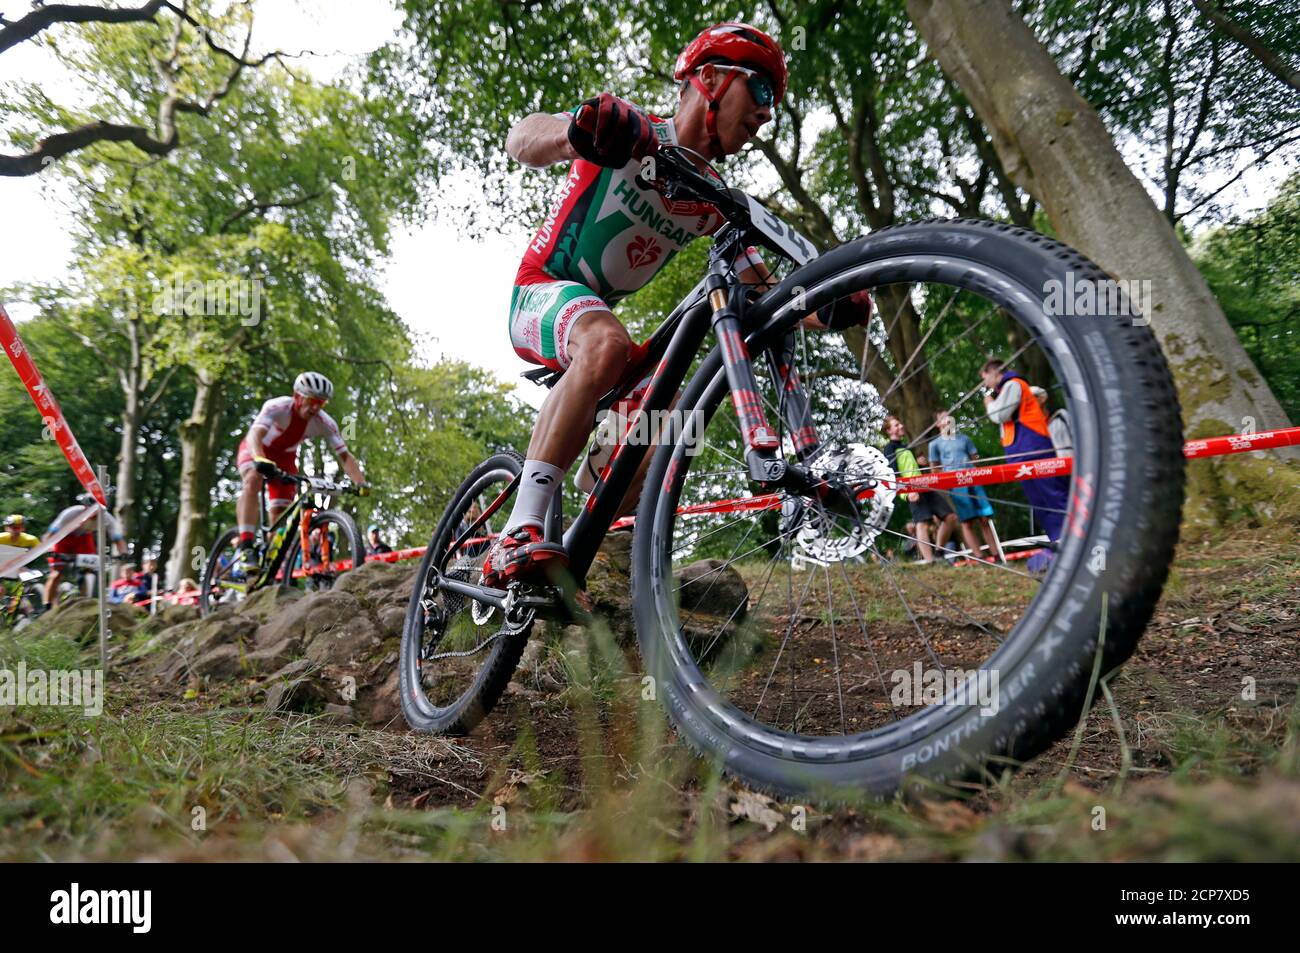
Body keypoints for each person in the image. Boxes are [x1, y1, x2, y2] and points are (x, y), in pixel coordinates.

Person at [487, 22, 872, 588]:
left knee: (662, 427)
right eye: (762, 90)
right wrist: (577, 132)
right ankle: (515, 532)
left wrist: (826, 306)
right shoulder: (630, 132)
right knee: (608, 344)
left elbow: (765, 296)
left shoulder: (713, 198)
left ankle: (584, 568)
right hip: (540, 288)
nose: (766, 114)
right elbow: (524, 138)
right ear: (709, 78)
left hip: (596, 319)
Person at [234, 372, 368, 575]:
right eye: (311, 401)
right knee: (253, 479)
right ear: (297, 396)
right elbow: (255, 435)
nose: (315, 407)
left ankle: (271, 567)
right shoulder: (277, 406)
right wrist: (260, 459)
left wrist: (361, 483)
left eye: (321, 403)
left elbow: (344, 456)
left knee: (280, 514)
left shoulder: (325, 422)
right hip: (257, 447)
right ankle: (246, 545)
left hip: (286, 458)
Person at [981, 360, 1070, 571]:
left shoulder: (1013, 384)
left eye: (984, 377)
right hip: (1022, 453)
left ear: (993, 372)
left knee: (1053, 496)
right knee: (1040, 502)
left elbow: (998, 415)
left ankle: (1073, 540)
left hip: (1034, 449)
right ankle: (1058, 543)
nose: (984, 382)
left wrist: (988, 403)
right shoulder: (1008, 389)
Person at [928, 410, 1002, 564]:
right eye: (943, 418)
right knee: (967, 522)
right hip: (955, 485)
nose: (948, 420)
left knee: (984, 519)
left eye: (950, 416)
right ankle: (980, 558)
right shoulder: (934, 444)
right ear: (938, 424)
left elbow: (975, 460)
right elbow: (934, 469)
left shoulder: (965, 439)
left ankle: (996, 556)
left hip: (974, 480)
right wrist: (948, 480)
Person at [882, 416, 956, 566]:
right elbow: (892, 473)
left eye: (900, 423)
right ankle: (930, 562)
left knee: (951, 517)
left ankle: (939, 552)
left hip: (924, 485)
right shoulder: (890, 448)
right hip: (911, 489)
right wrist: (906, 492)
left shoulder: (905, 447)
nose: (901, 426)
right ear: (889, 431)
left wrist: (920, 464)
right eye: (896, 425)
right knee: (921, 524)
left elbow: (909, 468)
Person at [42, 494, 127, 606]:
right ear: (84, 506)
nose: (93, 512)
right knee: (56, 573)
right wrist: (49, 549)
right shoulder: (71, 513)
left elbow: (118, 539)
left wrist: (124, 553)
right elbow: (50, 534)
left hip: (83, 540)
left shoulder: (106, 518)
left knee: (89, 569)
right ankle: (47, 604)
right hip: (63, 538)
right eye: (89, 508)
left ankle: (83, 600)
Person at [1030, 385, 1073, 458]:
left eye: (1031, 399)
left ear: (1042, 399)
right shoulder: (1026, 426)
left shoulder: (1061, 415)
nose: (1027, 403)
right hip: (1047, 466)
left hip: (1072, 463)